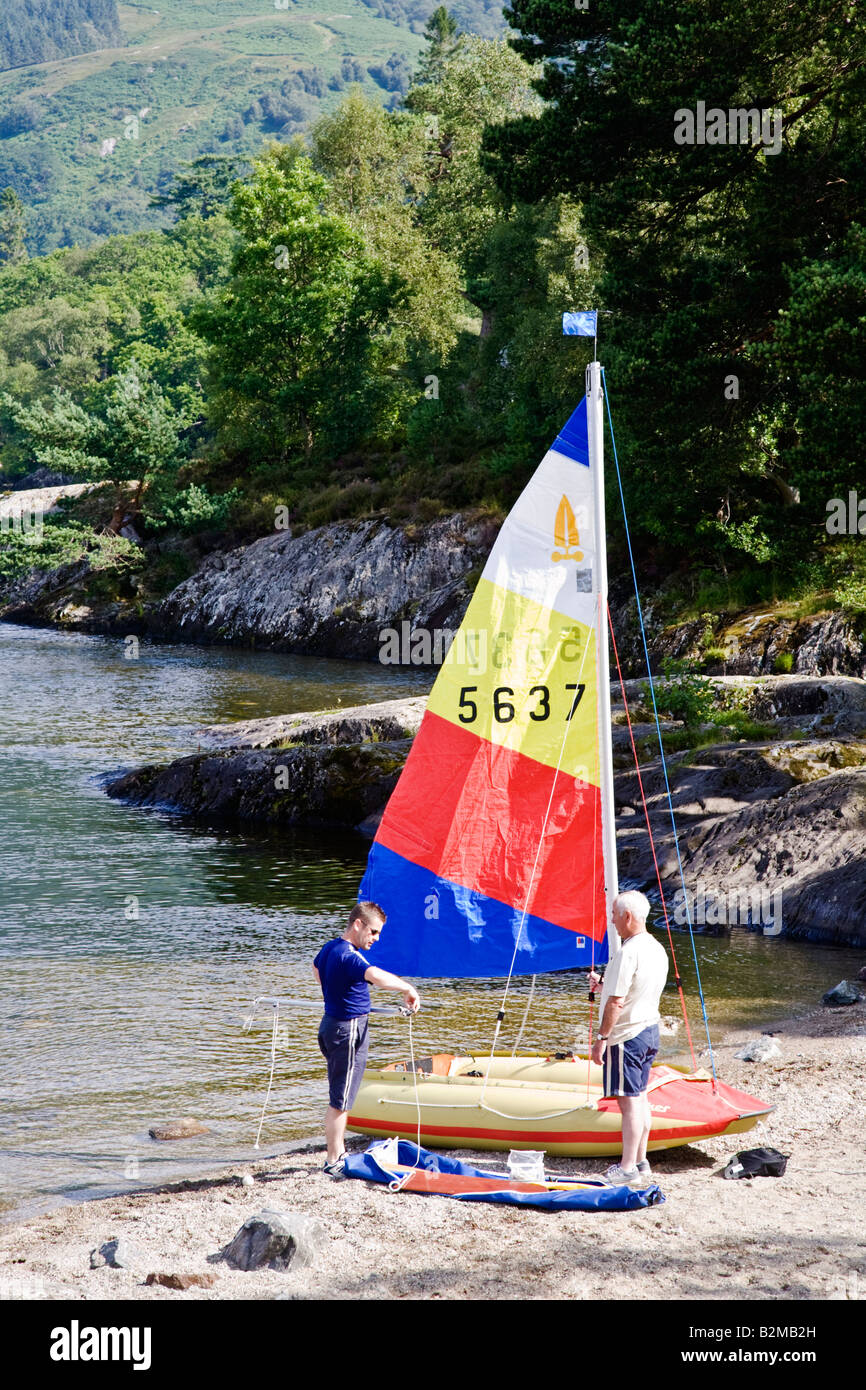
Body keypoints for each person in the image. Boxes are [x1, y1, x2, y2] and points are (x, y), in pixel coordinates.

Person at [313, 900, 420, 1176]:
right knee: (341, 1098)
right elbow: (377, 977)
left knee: (341, 1091)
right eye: (373, 932)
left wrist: (339, 992)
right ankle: (334, 1159)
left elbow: (316, 971)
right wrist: (407, 988)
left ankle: (338, 1152)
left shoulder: (329, 948)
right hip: (347, 1031)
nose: (376, 938)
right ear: (357, 924)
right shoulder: (350, 956)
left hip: (330, 1026)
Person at [589, 889, 668, 1185]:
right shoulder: (656, 949)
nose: (612, 921)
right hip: (649, 1032)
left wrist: (601, 1039)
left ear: (627, 916)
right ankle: (641, 1162)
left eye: (613, 915)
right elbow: (635, 988)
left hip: (627, 1036)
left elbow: (617, 1003)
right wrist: (604, 984)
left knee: (629, 1103)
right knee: (640, 1098)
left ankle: (626, 1169)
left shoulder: (627, 952)